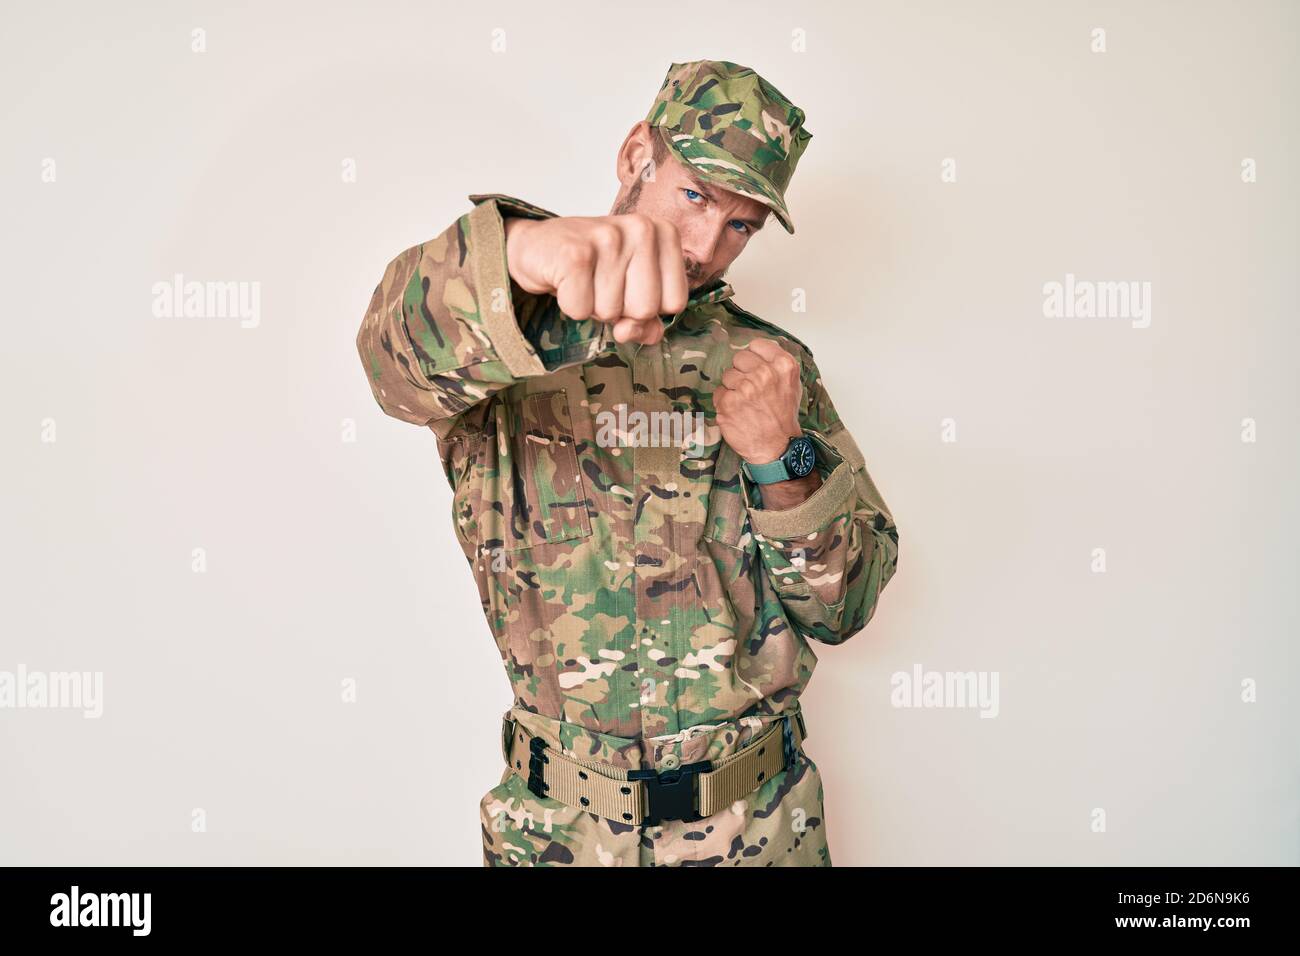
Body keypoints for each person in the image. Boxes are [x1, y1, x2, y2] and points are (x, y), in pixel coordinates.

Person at [356, 59, 899, 866]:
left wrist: (779, 457)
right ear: (635, 154)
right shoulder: (507, 335)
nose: (709, 246)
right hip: (559, 836)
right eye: (697, 196)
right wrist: (521, 248)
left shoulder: (770, 363)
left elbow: (845, 606)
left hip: (757, 830)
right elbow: (390, 360)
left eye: (742, 225)